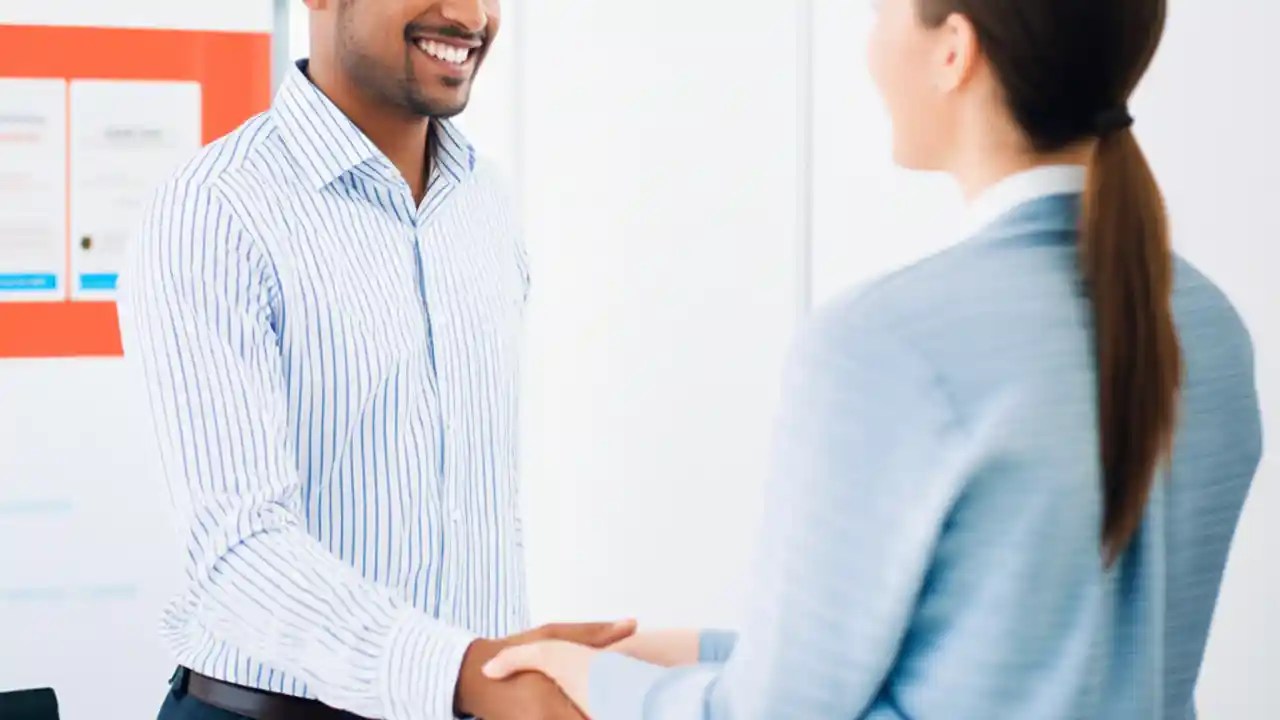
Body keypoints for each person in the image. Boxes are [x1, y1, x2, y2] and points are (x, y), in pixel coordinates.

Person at [480, 0, 1264, 717]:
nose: (870, 42)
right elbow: (995, 655)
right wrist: (678, 650)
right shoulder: (1208, 326)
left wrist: (597, 684)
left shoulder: (886, 343)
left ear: (953, 49)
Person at [123, 1, 635, 718]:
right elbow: (238, 554)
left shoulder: (484, 200)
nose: (469, 15)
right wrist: (465, 671)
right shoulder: (215, 209)